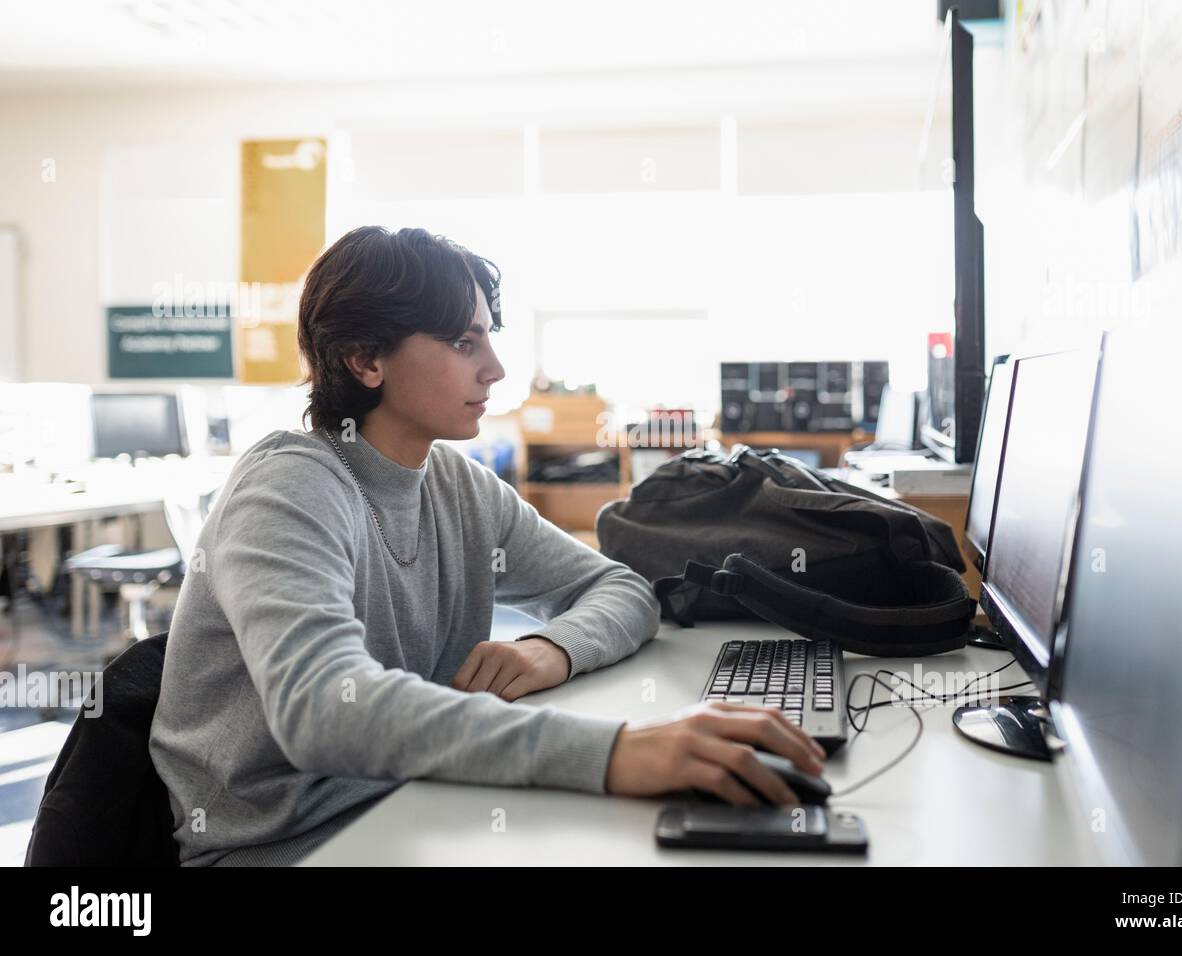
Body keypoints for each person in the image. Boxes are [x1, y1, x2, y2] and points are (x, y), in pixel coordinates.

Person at [148, 226, 825, 865]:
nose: (495, 368)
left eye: (489, 338)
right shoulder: (290, 487)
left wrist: (552, 648)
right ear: (364, 359)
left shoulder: (457, 486)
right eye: (463, 343)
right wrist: (618, 753)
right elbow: (324, 709)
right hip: (286, 845)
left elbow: (620, 591)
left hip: (413, 797)